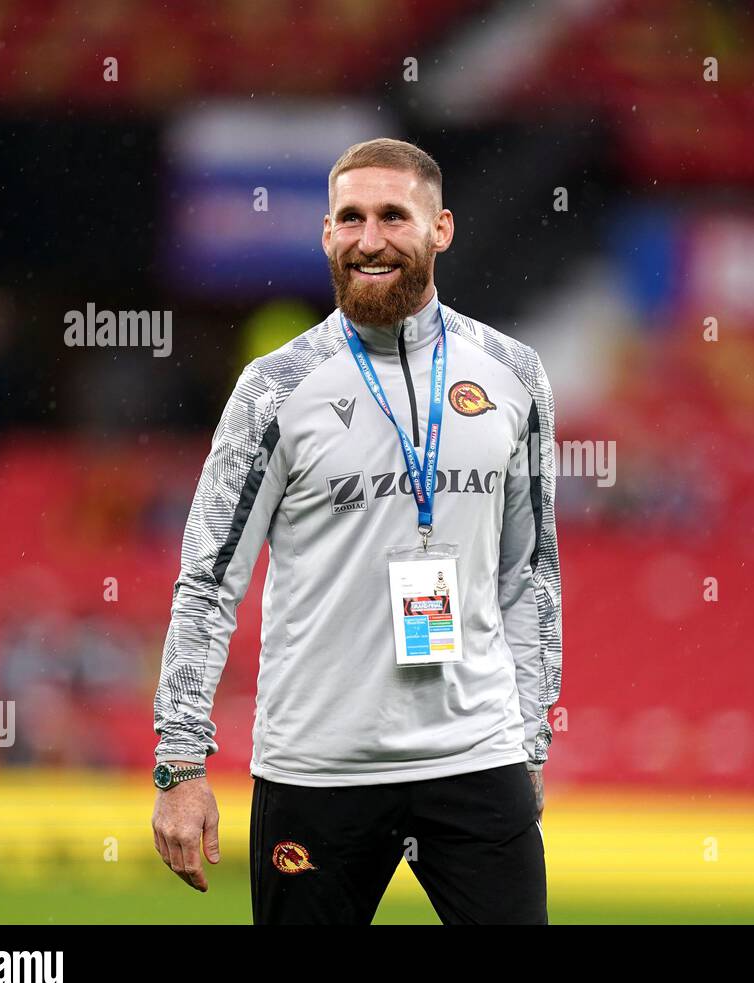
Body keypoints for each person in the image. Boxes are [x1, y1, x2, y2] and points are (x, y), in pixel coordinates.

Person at [150, 138, 562, 925]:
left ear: (440, 229)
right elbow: (206, 582)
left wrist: (531, 740)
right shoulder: (273, 389)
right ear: (326, 235)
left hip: (475, 759)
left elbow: (531, 572)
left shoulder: (514, 374)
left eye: (392, 217)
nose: (370, 239)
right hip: (315, 769)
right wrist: (179, 761)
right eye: (350, 218)